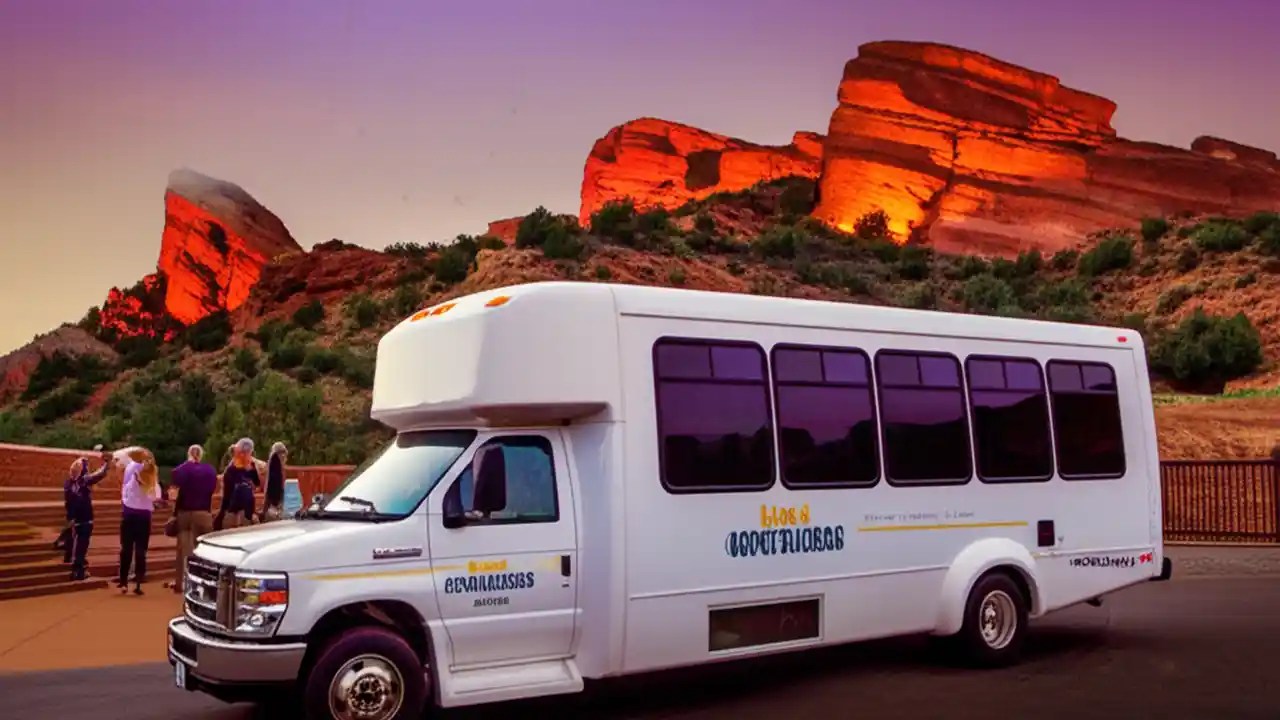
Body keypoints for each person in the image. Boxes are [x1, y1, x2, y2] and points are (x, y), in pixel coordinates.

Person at [167, 444, 217, 594]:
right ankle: (205, 584)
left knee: (184, 551)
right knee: (204, 552)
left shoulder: (182, 470)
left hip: (185, 513)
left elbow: (174, 484)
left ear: (188, 454)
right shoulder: (210, 471)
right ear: (201, 455)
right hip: (204, 513)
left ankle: (182, 583)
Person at [64, 451, 113, 581]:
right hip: (85, 518)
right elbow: (100, 474)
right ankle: (78, 570)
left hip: (74, 518)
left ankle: (74, 564)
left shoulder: (69, 484)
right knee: (82, 544)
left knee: (76, 542)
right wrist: (107, 463)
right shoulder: (84, 481)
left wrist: (70, 518)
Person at [118, 448, 162, 595]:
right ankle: (138, 582)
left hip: (129, 513)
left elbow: (125, 492)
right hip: (144, 516)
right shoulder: (152, 480)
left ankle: (123, 581)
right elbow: (155, 497)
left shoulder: (132, 472)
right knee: (141, 550)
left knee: (126, 548)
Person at [216, 438, 260, 529]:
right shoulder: (232, 469)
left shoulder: (249, 466)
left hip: (243, 510)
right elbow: (228, 493)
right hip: (236, 510)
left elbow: (257, 482)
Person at [261, 442, 288, 522]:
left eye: (283, 453)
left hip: (276, 495)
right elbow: (270, 485)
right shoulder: (274, 465)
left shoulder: (276, 466)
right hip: (275, 496)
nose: (283, 456)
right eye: (280, 453)